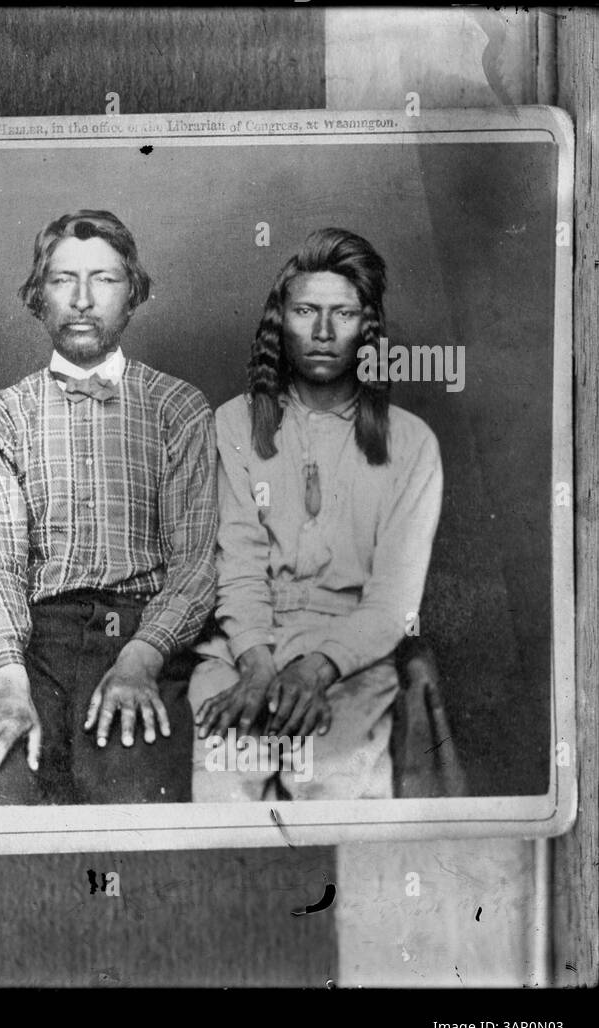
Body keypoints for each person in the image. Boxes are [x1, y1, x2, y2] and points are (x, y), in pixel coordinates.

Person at [0, 209, 217, 805]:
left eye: (105, 279)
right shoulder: (4, 414)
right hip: (36, 646)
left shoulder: (179, 407)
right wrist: (8, 685)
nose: (84, 299)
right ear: (38, 297)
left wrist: (142, 660)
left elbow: (197, 561)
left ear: (133, 294)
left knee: (134, 790)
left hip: (144, 634)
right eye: (64, 279)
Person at [191, 227, 443, 801]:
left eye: (344, 314)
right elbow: (239, 565)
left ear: (367, 328)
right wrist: (256, 667)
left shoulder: (410, 443)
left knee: (330, 787)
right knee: (227, 785)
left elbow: (393, 602)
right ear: (281, 321)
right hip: (242, 651)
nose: (324, 333)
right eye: (306, 311)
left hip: (351, 659)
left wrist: (316, 670)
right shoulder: (233, 424)